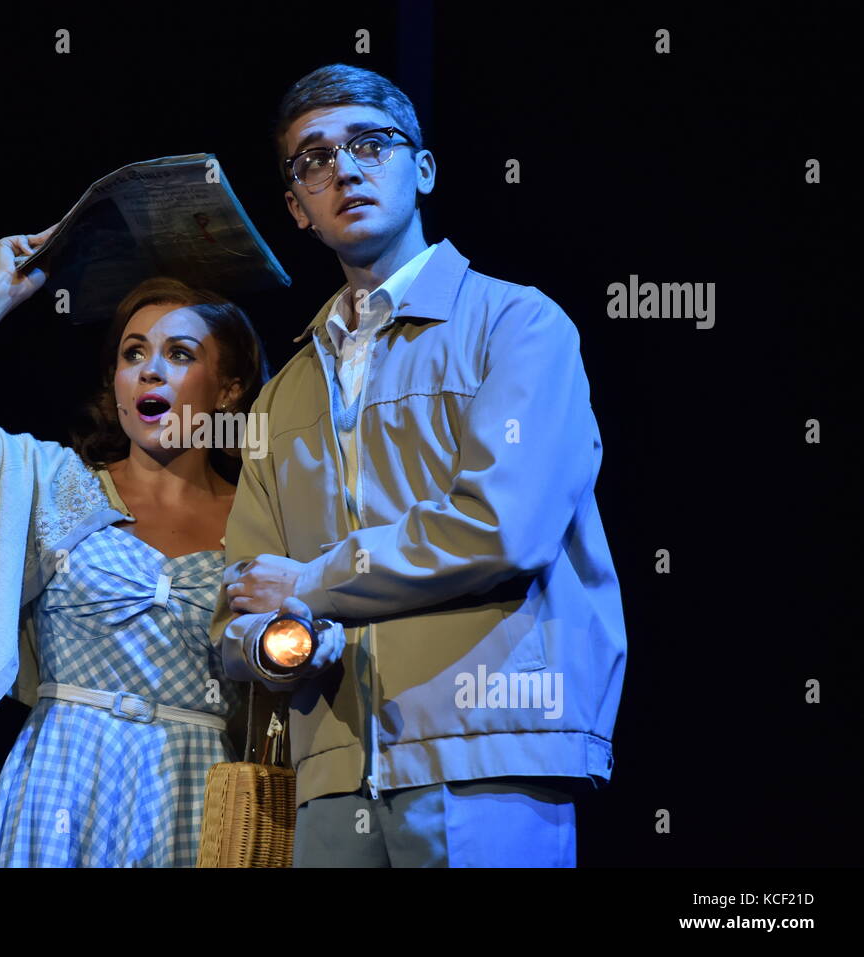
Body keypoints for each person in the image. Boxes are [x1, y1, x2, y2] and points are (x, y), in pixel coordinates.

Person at [211, 64, 627, 867]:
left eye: (371, 143)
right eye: (314, 159)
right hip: (332, 769)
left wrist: (307, 583)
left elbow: (503, 528)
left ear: (423, 168)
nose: (346, 169)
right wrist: (274, 639)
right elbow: (242, 599)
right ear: (297, 207)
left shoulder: (517, 322)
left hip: (488, 743)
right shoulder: (282, 393)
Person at [0, 225, 270, 866]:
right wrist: (0, 292)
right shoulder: (48, 481)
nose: (150, 370)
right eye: (133, 353)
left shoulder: (263, 515)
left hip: (197, 787)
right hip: (63, 775)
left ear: (227, 390)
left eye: (180, 354)